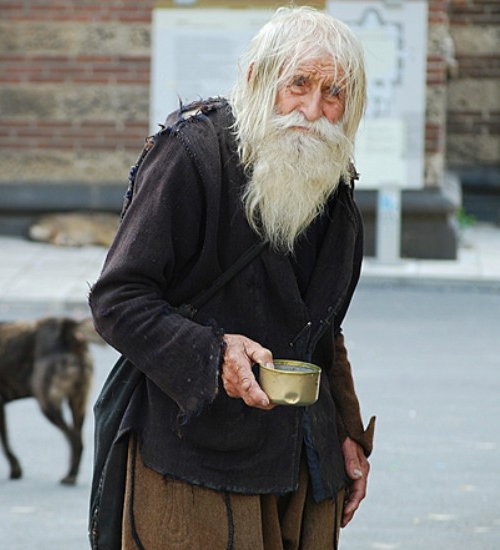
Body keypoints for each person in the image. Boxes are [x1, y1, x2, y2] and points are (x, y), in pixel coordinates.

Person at [88, 6, 376, 549]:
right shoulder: (191, 156)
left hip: (303, 468)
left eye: (333, 93)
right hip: (193, 466)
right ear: (256, 79)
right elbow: (117, 299)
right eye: (298, 84)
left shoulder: (334, 183)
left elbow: (322, 328)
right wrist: (214, 353)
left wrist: (345, 434)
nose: (312, 111)